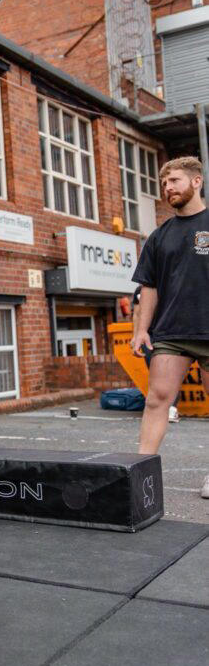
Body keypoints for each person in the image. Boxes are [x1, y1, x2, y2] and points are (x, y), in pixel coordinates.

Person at [131, 156, 209, 498]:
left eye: (174, 180)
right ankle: (138, 475)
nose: (167, 188)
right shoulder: (159, 236)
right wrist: (141, 330)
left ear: (196, 181)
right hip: (171, 331)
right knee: (157, 399)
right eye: (164, 183)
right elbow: (149, 287)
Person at [131, 284, 179, 423]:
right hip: (149, 336)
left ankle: (172, 407)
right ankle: (158, 406)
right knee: (154, 371)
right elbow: (137, 314)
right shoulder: (139, 291)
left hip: (168, 333)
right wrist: (135, 335)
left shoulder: (168, 283)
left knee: (171, 372)